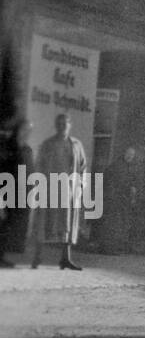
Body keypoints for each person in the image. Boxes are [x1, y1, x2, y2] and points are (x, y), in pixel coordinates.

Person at [30, 114, 88, 270]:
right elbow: (39, 165)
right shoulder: (48, 144)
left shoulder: (76, 145)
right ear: (56, 126)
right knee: (44, 222)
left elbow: (82, 167)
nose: (62, 126)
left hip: (69, 190)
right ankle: (37, 257)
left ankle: (65, 259)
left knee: (67, 225)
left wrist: (81, 185)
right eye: (60, 124)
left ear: (70, 126)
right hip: (50, 189)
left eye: (65, 124)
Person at [0, 118, 33, 267]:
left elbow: (31, 172)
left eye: (29, 130)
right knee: (2, 224)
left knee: (10, 226)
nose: (27, 133)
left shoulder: (27, 150)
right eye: (24, 129)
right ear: (17, 130)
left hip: (21, 195)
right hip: (5, 191)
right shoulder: (7, 148)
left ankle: (2, 255)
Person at [96, 146, 140, 255]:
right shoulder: (116, 166)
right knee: (112, 224)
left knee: (119, 225)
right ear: (124, 153)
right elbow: (109, 182)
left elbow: (130, 181)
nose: (130, 157)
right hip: (113, 200)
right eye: (128, 154)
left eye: (132, 155)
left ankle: (114, 247)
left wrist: (132, 188)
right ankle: (107, 248)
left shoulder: (129, 167)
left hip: (122, 200)